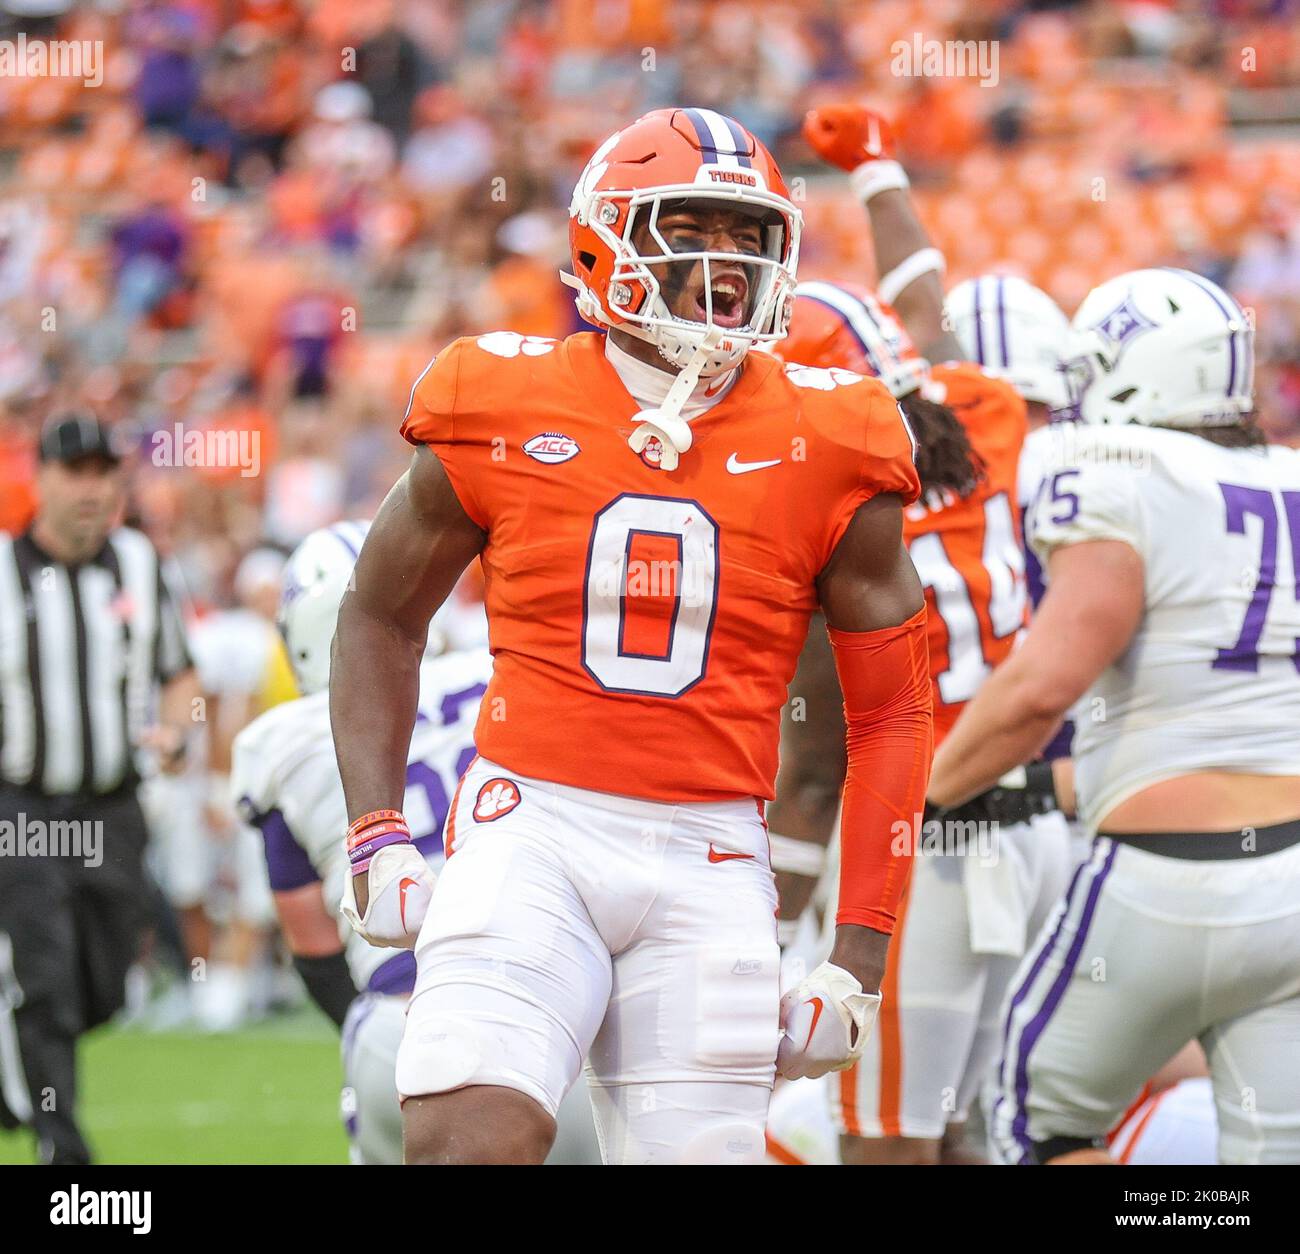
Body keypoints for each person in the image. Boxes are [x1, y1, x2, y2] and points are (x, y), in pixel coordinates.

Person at [330, 107, 934, 1165]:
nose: (727, 258)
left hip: (712, 855)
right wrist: (376, 827)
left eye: (751, 234)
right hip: (532, 829)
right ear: (601, 239)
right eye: (693, 223)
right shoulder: (499, 397)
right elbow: (381, 614)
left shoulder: (836, 432)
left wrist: (858, 957)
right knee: (466, 1143)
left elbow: (892, 706)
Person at [927, 267, 1300, 1165]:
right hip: (1292, 878)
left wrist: (920, 794)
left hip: (1162, 878)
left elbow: (1045, 684)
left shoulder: (1123, 471)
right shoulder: (1287, 477)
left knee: (1034, 1121)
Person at [767, 104, 1072, 1165]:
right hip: (1033, 837)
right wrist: (877, 167)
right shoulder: (979, 404)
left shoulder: (823, 493)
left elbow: (810, 773)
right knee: (971, 1134)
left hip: (927, 839)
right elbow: (921, 306)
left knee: (884, 1144)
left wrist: (761, 941)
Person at [0, 413, 198, 1164]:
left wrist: (177, 733)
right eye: (74, 472)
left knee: (112, 981)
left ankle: (17, 1048)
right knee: (45, 972)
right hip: (22, 803)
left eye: (102, 472)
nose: (90, 488)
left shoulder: (140, 565)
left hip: (115, 805)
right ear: (41, 479)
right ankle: (63, 1153)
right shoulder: (3, 571)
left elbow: (179, 671)